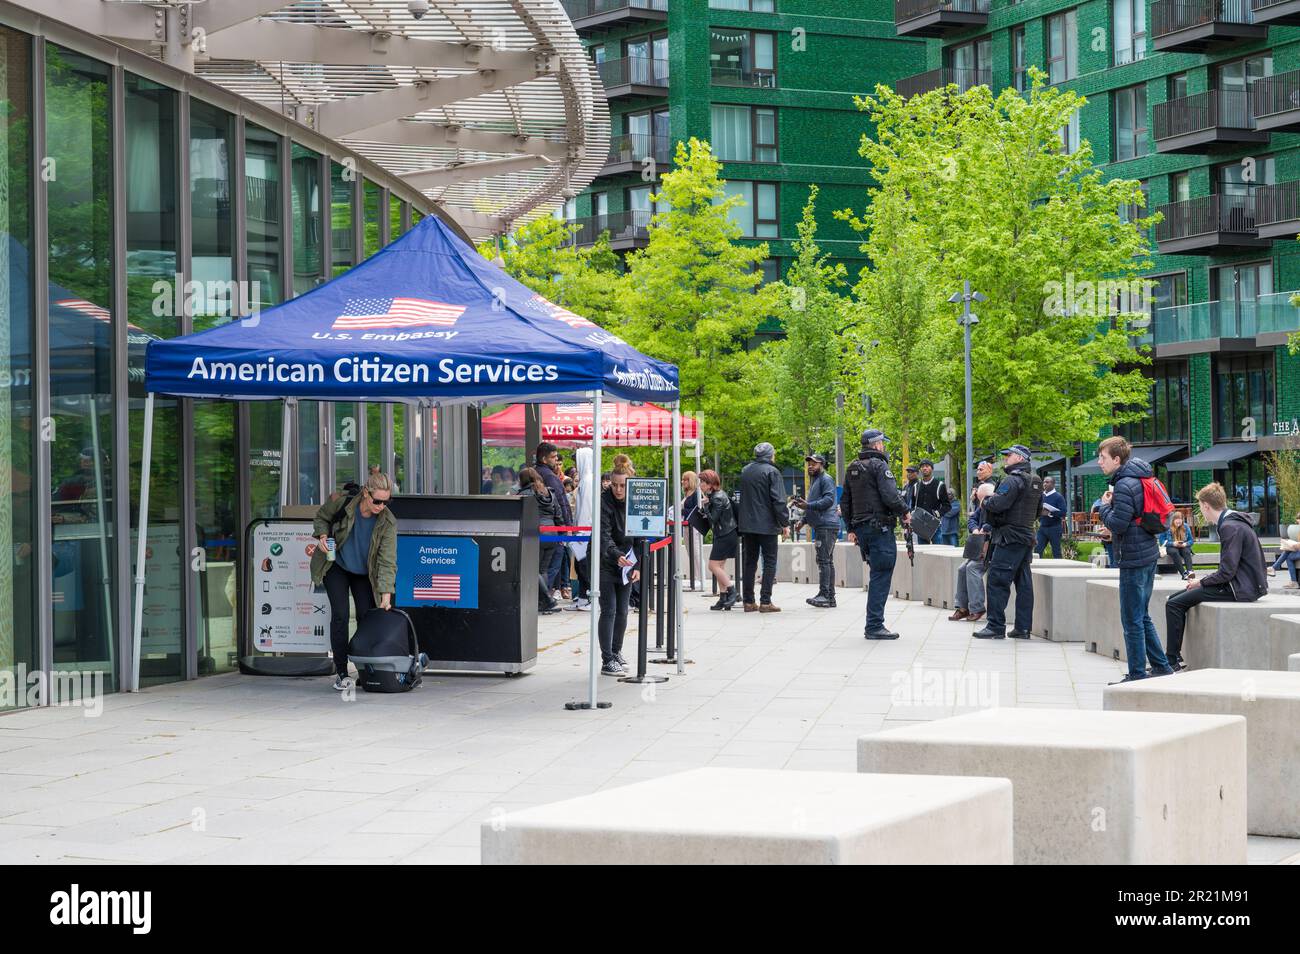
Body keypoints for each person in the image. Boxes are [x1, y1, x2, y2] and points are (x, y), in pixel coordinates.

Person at [1163, 482, 1268, 672]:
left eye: (1200, 508)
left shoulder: (1229, 526)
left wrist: (1200, 582)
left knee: (1173, 604)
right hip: (1242, 583)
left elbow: (1227, 572)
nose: (1201, 512)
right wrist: (1201, 582)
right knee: (1173, 599)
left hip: (1240, 588)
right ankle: (1173, 657)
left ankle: (1171, 661)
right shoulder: (1232, 522)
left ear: (1206, 505)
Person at [1094, 436, 1173, 683]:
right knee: (1142, 615)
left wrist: (1104, 508)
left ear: (1117, 459)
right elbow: (1131, 520)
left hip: (1134, 558)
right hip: (1146, 553)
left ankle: (1137, 673)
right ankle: (1161, 666)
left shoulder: (1126, 484)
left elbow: (1118, 522)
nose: (1099, 462)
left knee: (1131, 619)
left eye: (1103, 458)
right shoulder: (1138, 478)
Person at [311, 472, 398, 691]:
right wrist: (322, 537)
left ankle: (364, 669)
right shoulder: (344, 502)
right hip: (336, 565)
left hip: (363, 572)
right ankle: (341, 671)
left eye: (386, 501)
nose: (381, 506)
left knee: (366, 617)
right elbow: (321, 517)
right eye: (377, 501)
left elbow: (387, 560)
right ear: (366, 494)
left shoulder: (387, 521)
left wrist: (386, 594)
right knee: (340, 615)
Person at [840, 429, 911, 639]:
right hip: (879, 528)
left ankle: (874, 623)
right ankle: (874, 626)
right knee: (881, 574)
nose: (884, 447)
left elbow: (845, 501)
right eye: (882, 443)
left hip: (862, 529)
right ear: (877, 445)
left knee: (876, 573)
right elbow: (890, 496)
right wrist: (905, 512)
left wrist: (851, 528)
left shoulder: (853, 467)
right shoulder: (880, 466)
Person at [973, 445, 1042, 640]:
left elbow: (998, 504)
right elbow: (1038, 511)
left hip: (1009, 538)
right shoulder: (1035, 480)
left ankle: (995, 626)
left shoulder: (1013, 480)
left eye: (1008, 455)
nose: (1005, 459)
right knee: (1024, 583)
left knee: (996, 580)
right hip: (1027, 536)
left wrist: (984, 500)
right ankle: (1023, 628)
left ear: (1020, 458)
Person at [737, 441, 789, 613]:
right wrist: (784, 523)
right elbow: (779, 500)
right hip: (767, 525)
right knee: (769, 561)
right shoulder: (772, 472)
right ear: (770, 455)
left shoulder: (745, 471)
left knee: (749, 562)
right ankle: (765, 601)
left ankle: (748, 601)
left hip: (747, 525)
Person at [598, 465, 640, 675]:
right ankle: (607, 659)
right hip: (606, 560)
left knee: (623, 610)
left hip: (628, 560)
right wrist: (616, 555)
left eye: (622, 485)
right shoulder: (604, 501)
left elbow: (642, 534)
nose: (618, 489)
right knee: (609, 610)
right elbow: (603, 535)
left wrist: (637, 564)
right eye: (614, 484)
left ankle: (616, 652)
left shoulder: (636, 501)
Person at [794, 453, 839, 608]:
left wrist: (808, 506)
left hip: (826, 524)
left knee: (824, 560)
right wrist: (803, 520)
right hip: (823, 524)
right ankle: (829, 597)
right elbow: (812, 504)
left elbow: (828, 501)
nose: (810, 466)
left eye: (814, 463)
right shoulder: (816, 481)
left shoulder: (826, 479)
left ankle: (825, 595)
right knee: (826, 560)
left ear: (822, 464)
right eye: (809, 464)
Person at [516, 467, 563, 615]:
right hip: (552, 534)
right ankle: (543, 602)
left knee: (532, 569)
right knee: (542, 570)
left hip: (535, 535)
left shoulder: (524, 495)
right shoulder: (549, 492)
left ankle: (548, 601)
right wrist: (561, 534)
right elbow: (558, 515)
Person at [950, 481, 996, 623]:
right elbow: (972, 520)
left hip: (991, 549)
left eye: (983, 499)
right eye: (979, 499)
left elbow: (997, 522)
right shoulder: (982, 505)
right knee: (962, 569)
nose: (981, 503)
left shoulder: (996, 505)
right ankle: (963, 607)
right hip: (979, 546)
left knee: (972, 568)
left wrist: (986, 528)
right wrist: (975, 529)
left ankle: (977, 608)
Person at [534, 442, 573, 601]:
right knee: (550, 567)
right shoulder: (550, 477)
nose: (556, 460)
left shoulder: (535, 473)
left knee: (542, 567)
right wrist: (567, 527)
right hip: (553, 529)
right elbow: (561, 503)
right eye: (553, 457)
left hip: (537, 529)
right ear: (544, 458)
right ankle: (543, 599)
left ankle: (539, 599)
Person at [697, 470, 738, 610]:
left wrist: (706, 506)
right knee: (719, 567)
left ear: (710, 484)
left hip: (725, 535)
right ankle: (723, 597)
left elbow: (713, 519)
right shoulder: (715, 495)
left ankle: (732, 591)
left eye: (702, 482)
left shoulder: (717, 497)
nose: (700, 485)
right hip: (724, 534)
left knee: (713, 566)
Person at [569, 446, 595, 611]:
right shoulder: (587, 480)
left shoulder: (588, 481)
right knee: (580, 566)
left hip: (585, 530)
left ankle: (588, 597)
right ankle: (584, 597)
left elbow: (586, 509)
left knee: (584, 566)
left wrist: (580, 530)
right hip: (582, 528)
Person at [908, 459, 950, 545]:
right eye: (922, 467)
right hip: (920, 525)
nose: (924, 468)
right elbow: (912, 505)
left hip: (935, 525)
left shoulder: (940, 485)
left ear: (932, 469)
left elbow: (947, 506)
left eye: (927, 466)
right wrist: (913, 514)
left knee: (937, 552)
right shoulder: (916, 486)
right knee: (923, 552)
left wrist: (937, 513)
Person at [1036, 475, 1067, 558]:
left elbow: (1063, 512)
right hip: (1042, 527)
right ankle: (1038, 569)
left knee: (1056, 551)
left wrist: (1050, 513)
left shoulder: (1058, 497)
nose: (1044, 484)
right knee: (1037, 550)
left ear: (1053, 484)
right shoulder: (1041, 496)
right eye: (1044, 482)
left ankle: (1059, 570)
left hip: (1055, 528)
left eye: (1047, 482)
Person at [1163, 511, 1196, 581]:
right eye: (1176, 519)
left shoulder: (1186, 526)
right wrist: (1173, 544)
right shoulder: (1167, 527)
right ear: (1173, 520)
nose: (1178, 521)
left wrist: (1185, 544)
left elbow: (1191, 540)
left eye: (1180, 519)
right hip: (1171, 547)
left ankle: (1190, 571)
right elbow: (1162, 542)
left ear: (1182, 520)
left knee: (1186, 550)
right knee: (1174, 552)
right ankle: (1183, 573)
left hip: (1182, 546)